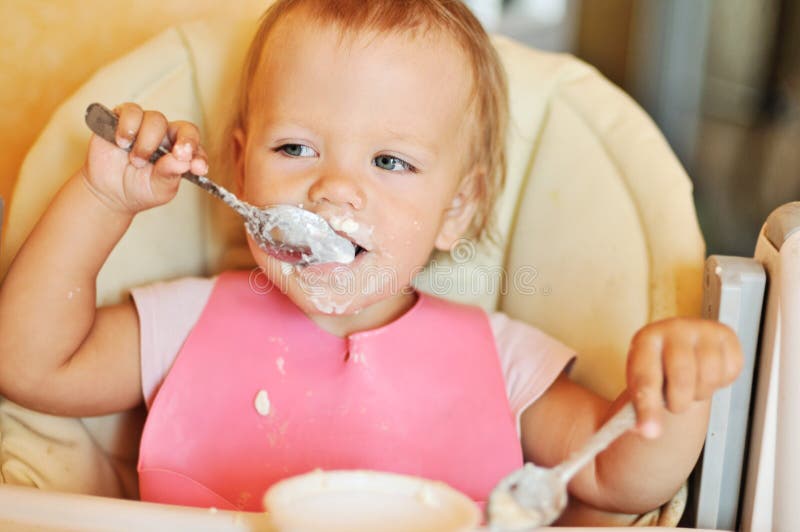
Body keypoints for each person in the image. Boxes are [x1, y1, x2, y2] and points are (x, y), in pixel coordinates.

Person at [0, 0, 742, 524]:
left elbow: (615, 479)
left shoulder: (502, 360)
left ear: (457, 209)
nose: (336, 186)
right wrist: (104, 199)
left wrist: (675, 389)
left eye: (390, 160)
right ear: (239, 165)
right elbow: (29, 365)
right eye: (295, 148)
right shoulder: (186, 322)